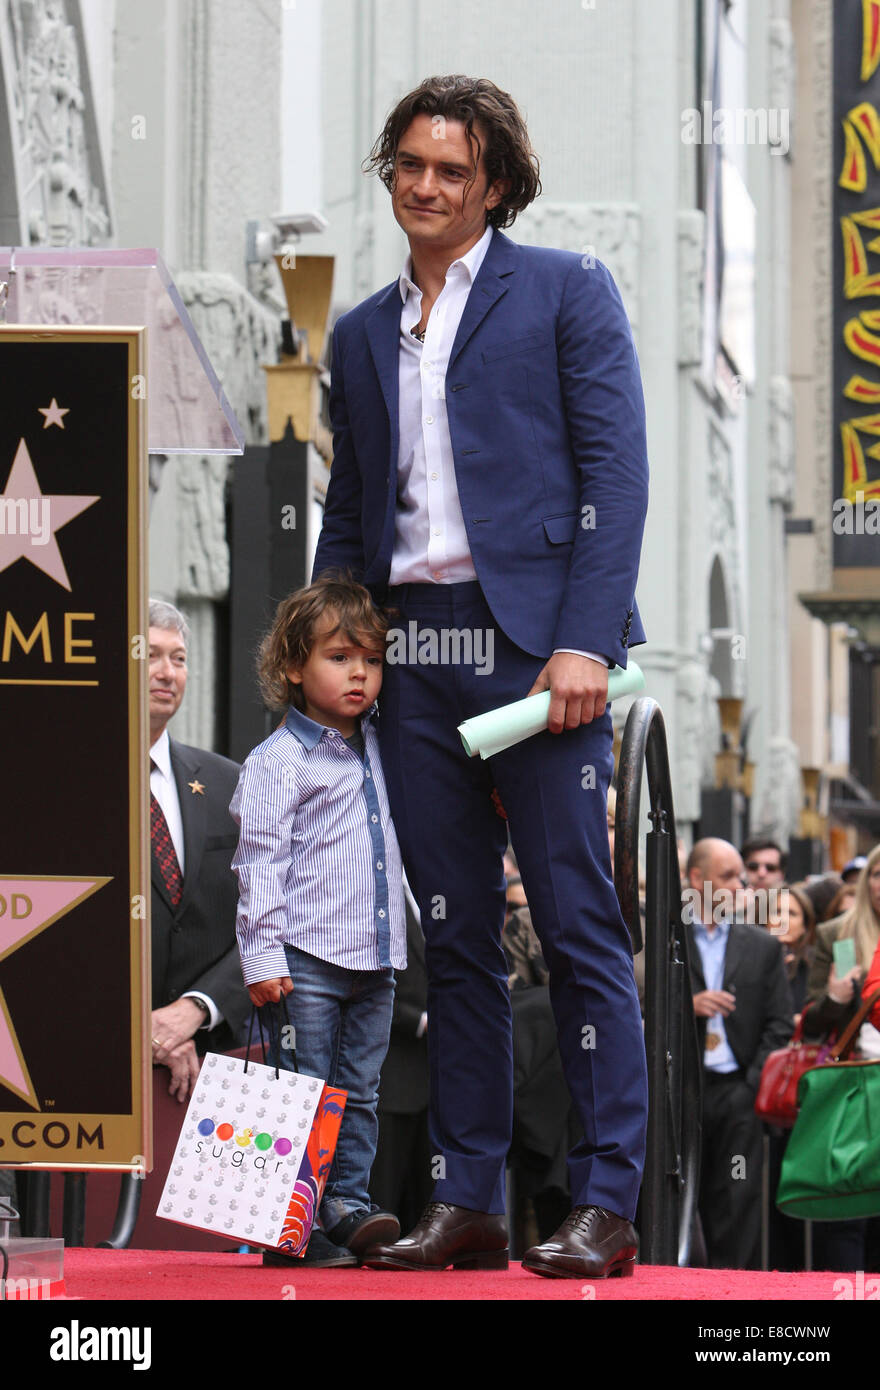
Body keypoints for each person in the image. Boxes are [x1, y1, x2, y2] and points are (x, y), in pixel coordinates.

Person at [313, 74, 649, 1279]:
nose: (426, 185)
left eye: (452, 169)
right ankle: (468, 1198)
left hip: (533, 648)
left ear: (493, 183)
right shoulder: (358, 333)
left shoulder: (564, 290)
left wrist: (586, 641)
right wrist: (328, 658)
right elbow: (351, 512)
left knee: (573, 925)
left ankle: (604, 1201)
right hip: (413, 653)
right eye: (409, 163)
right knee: (448, 935)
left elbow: (617, 472)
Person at [229, 575, 406, 1267]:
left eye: (371, 658)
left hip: (376, 956)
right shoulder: (279, 762)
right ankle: (289, 1228)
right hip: (304, 955)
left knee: (359, 1092)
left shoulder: (384, 748)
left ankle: (346, 1208)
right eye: (339, 657)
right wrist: (262, 957)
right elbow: (259, 862)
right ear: (294, 667)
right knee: (299, 1090)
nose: (360, 672)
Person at [148, 600, 249, 1101]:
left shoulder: (229, 782)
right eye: (150, 655)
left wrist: (195, 1008)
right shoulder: (65, 789)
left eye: (180, 658)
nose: (168, 672)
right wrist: (140, 1034)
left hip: (221, 1065)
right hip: (93, 1074)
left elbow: (273, 917)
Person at [685, 838, 793, 1269]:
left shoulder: (762, 946)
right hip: (683, 1091)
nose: (740, 885)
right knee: (679, 1194)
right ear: (697, 879)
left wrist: (751, 1088)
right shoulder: (664, 937)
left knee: (736, 1195)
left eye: (739, 877)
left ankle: (733, 1288)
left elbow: (780, 1025)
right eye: (729, 876)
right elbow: (639, 1005)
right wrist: (686, 1006)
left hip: (737, 1093)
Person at [802, 843, 880, 1271]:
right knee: (850, 1207)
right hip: (854, 1086)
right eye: (877, 873)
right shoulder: (840, 935)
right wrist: (834, 998)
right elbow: (811, 1020)